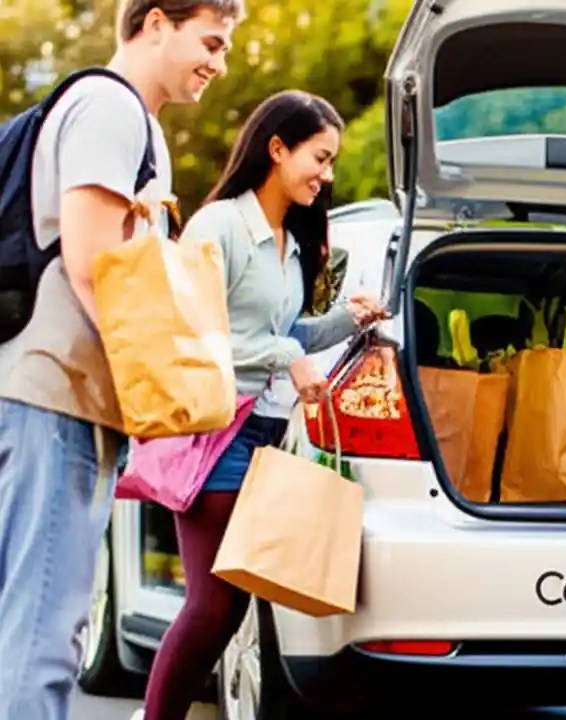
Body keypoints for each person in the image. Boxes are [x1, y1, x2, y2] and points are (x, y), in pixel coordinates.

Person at [0, 1, 244, 717]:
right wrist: (162, 390)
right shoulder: (110, 108)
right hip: (55, 397)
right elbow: (94, 263)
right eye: (210, 41)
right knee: (42, 632)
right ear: (156, 22)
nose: (219, 64)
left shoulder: (126, 119)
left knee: (26, 619)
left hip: (46, 392)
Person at [138, 90, 386, 720]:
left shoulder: (291, 241)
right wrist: (284, 354)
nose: (327, 175)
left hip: (267, 436)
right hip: (215, 433)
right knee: (212, 605)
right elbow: (195, 329)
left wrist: (344, 322)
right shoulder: (218, 225)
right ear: (277, 149)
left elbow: (287, 333)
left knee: (231, 605)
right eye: (320, 158)